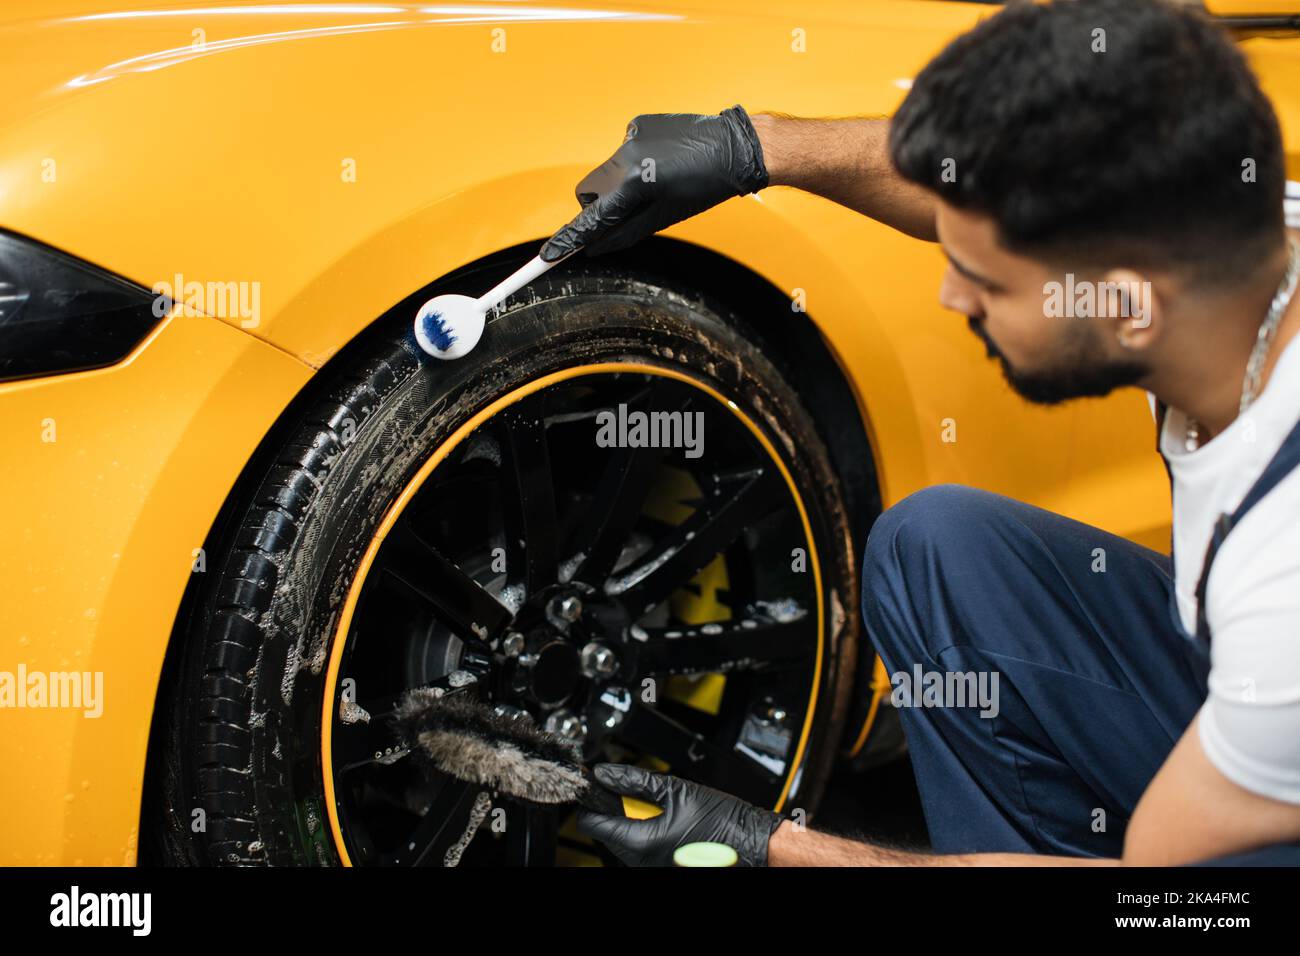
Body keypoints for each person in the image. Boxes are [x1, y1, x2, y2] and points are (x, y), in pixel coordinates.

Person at [543, 0, 1300, 866]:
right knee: (937, 548)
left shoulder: (1281, 570)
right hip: (1236, 683)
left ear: (1126, 306)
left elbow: (1161, 902)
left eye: (985, 281)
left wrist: (771, 848)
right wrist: (755, 147)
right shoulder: (1236, 239)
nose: (952, 294)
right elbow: (982, 189)